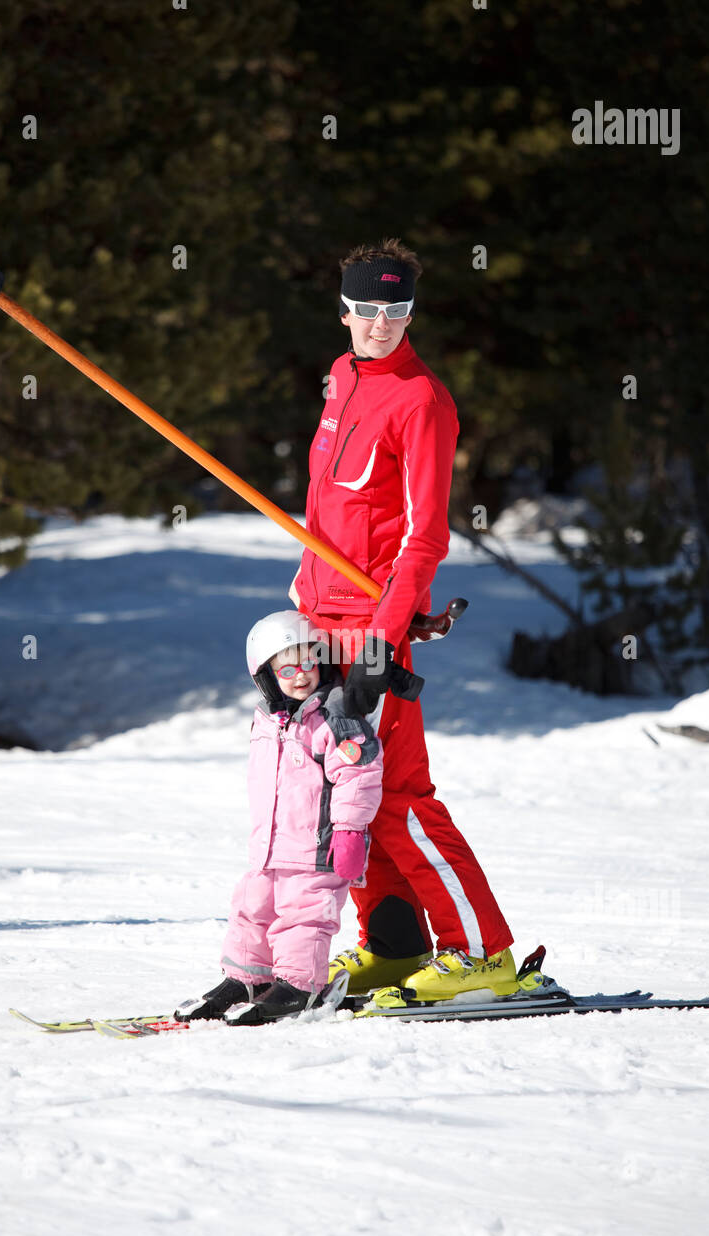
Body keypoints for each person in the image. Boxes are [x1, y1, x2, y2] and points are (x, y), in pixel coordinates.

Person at [289, 238, 519, 1005]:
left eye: (397, 310)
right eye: (368, 308)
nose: (380, 324)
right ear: (344, 308)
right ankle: (393, 945)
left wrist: (384, 641)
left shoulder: (422, 400)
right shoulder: (342, 377)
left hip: (369, 631)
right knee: (348, 797)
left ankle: (482, 952)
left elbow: (424, 536)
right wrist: (302, 605)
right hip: (321, 619)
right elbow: (332, 510)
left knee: (399, 796)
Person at [175, 612, 383, 1026]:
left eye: (308, 662)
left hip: (315, 847)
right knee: (252, 909)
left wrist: (348, 830)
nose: (301, 675)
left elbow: (359, 773)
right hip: (269, 847)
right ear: (266, 676)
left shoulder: (333, 716)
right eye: (287, 668)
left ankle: (298, 985)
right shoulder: (267, 720)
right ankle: (248, 978)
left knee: (304, 915)